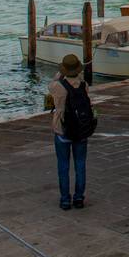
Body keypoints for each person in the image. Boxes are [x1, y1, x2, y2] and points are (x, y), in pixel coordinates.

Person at [47, 54, 93, 209]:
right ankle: (79, 198)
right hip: (81, 130)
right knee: (80, 164)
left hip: (62, 130)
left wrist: (61, 73)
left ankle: (65, 199)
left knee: (63, 165)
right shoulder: (84, 85)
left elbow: (51, 83)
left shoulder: (57, 87)